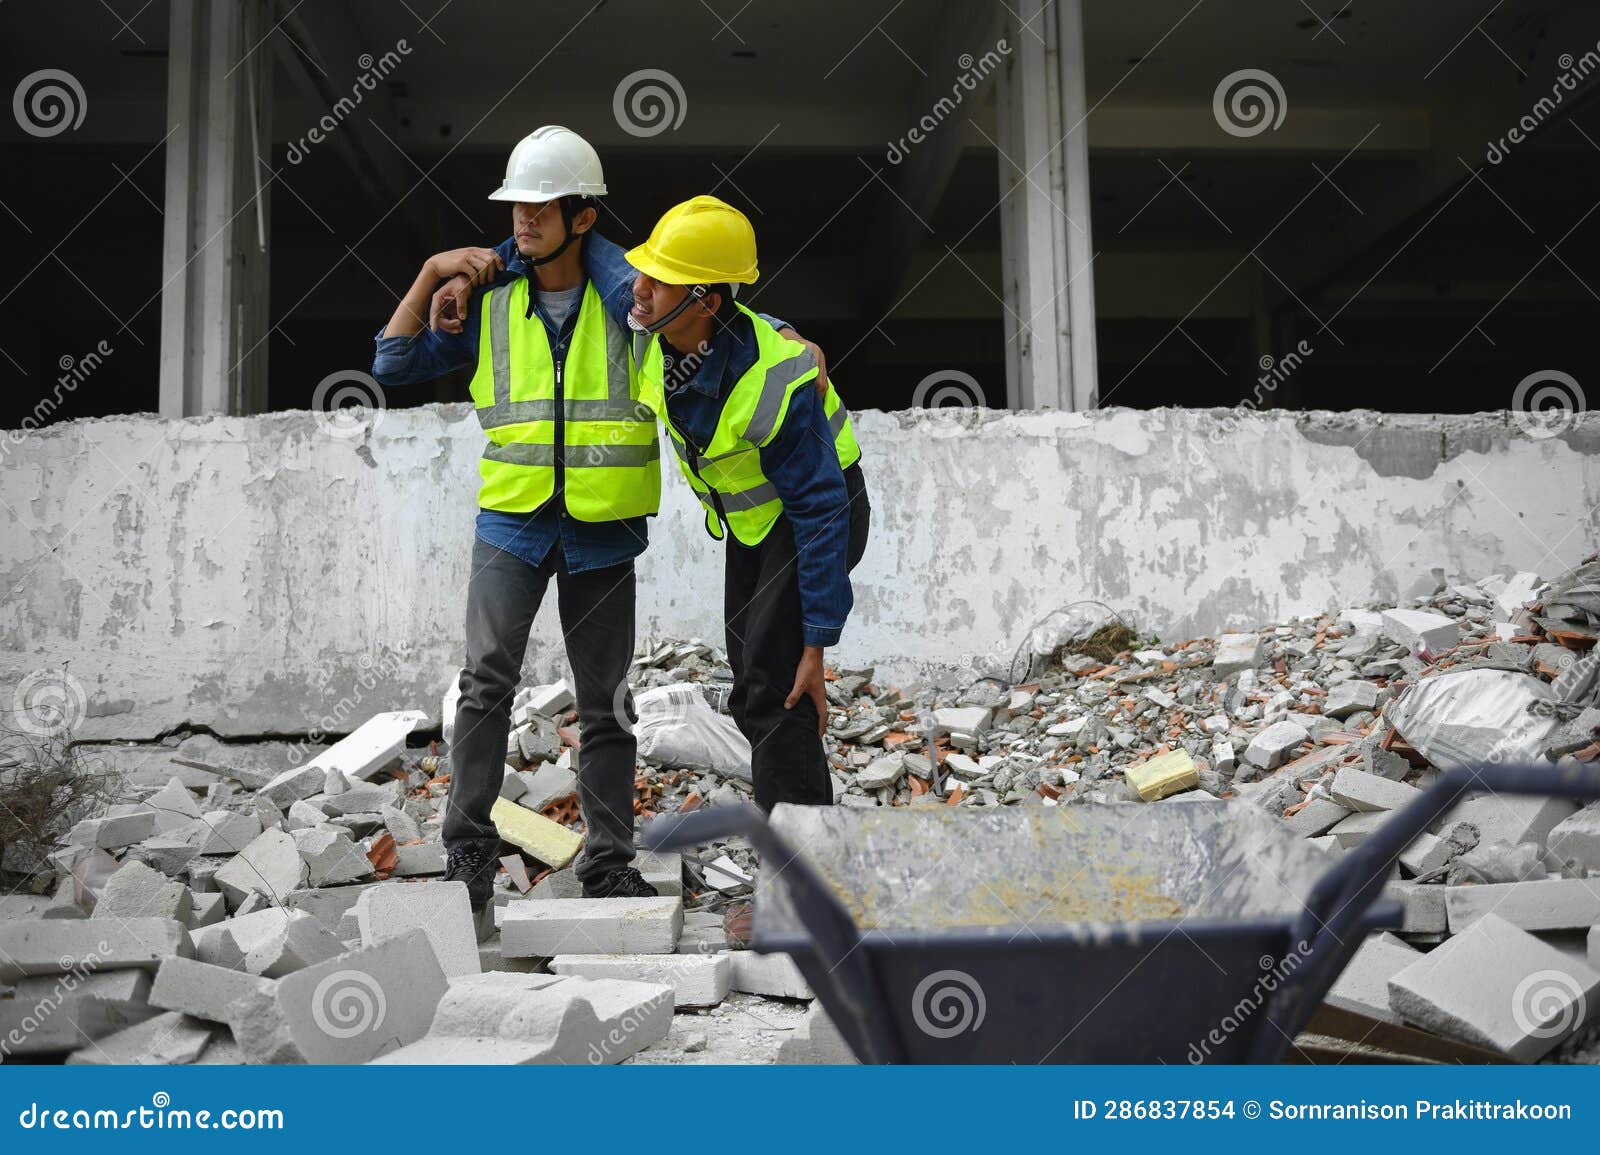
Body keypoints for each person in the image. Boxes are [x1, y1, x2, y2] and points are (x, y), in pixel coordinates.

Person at [371, 126, 662, 915]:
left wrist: (788, 338)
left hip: (603, 524)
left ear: (583, 217)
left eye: (542, 205)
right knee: (484, 684)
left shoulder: (629, 299)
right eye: (516, 206)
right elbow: (391, 363)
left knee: (606, 702)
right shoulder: (488, 299)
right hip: (512, 521)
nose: (524, 218)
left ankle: (608, 863)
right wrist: (434, 270)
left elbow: (708, 319)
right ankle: (468, 851)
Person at [626, 195, 871, 811]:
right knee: (752, 681)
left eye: (661, 278)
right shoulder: (659, 325)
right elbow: (575, 261)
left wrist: (816, 645)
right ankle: (805, 828)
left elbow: (822, 510)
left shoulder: (773, 382)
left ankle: (798, 858)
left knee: (775, 683)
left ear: (706, 302)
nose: (640, 287)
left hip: (821, 514)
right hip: (756, 525)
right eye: (645, 271)